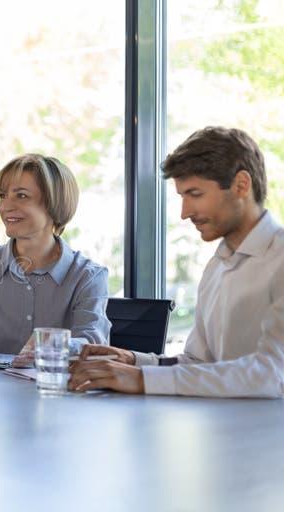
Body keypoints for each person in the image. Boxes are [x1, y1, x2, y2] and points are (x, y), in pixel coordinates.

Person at [69, 126, 284, 398]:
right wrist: (133, 361)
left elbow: (273, 374)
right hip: (223, 433)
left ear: (241, 185)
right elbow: (199, 364)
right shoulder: (217, 267)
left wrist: (141, 379)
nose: (185, 213)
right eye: (182, 197)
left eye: (195, 194)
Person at [0, 153, 110, 359]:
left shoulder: (88, 277)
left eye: (21, 196)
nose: (5, 207)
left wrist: (50, 343)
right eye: (2, 196)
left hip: (56, 388)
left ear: (54, 204)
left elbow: (92, 343)